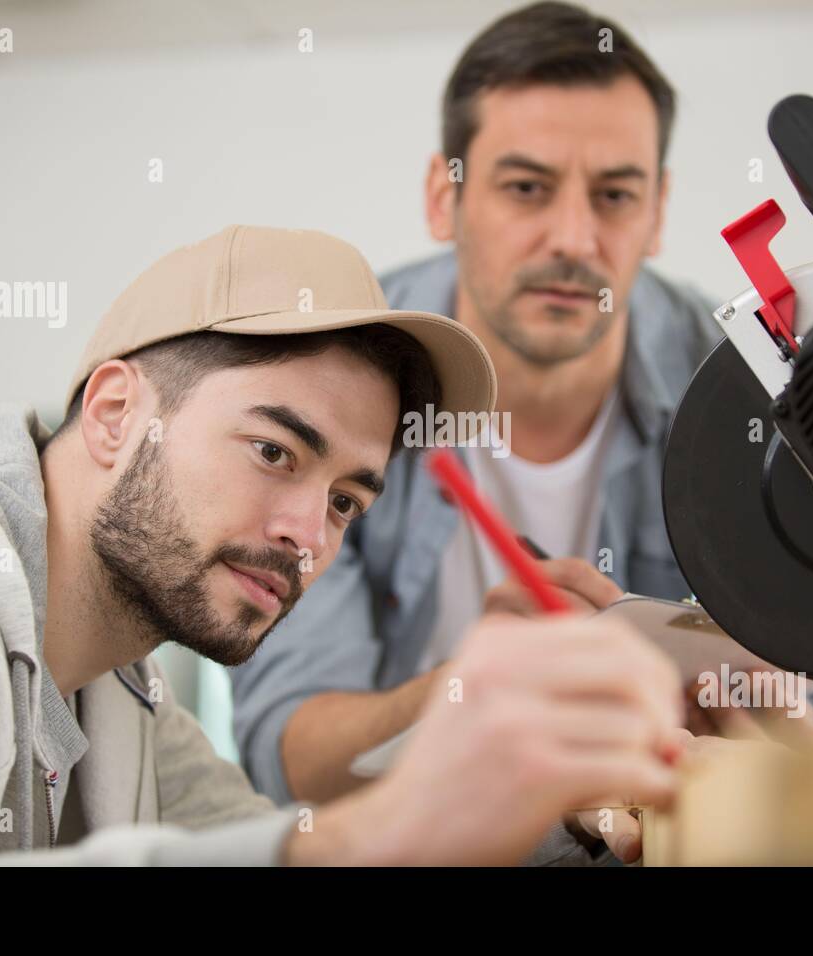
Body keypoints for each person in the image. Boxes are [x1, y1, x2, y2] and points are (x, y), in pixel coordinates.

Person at [0, 225, 687, 865]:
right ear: (116, 416)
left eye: (346, 500)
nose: (308, 538)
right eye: (274, 452)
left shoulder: (119, 689)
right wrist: (357, 837)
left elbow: (283, 854)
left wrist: (564, 823)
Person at [230, 2, 722, 863]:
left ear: (657, 211)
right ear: (443, 197)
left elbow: (779, 711)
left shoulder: (731, 393)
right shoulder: (339, 376)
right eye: (526, 187)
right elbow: (287, 750)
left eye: (615, 195)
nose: (574, 239)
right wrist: (469, 690)